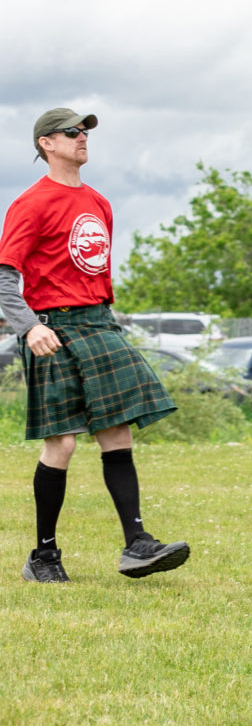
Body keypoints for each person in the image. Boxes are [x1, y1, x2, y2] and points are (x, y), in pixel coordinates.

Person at [0, 108, 188, 582]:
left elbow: (94, 268)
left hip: (98, 323)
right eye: (72, 132)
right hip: (51, 328)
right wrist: (28, 327)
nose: (82, 138)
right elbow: (5, 277)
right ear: (47, 143)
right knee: (61, 444)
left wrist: (107, 313)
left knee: (117, 432)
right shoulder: (30, 203)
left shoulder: (100, 202)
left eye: (85, 132)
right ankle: (43, 556)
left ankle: (138, 545)